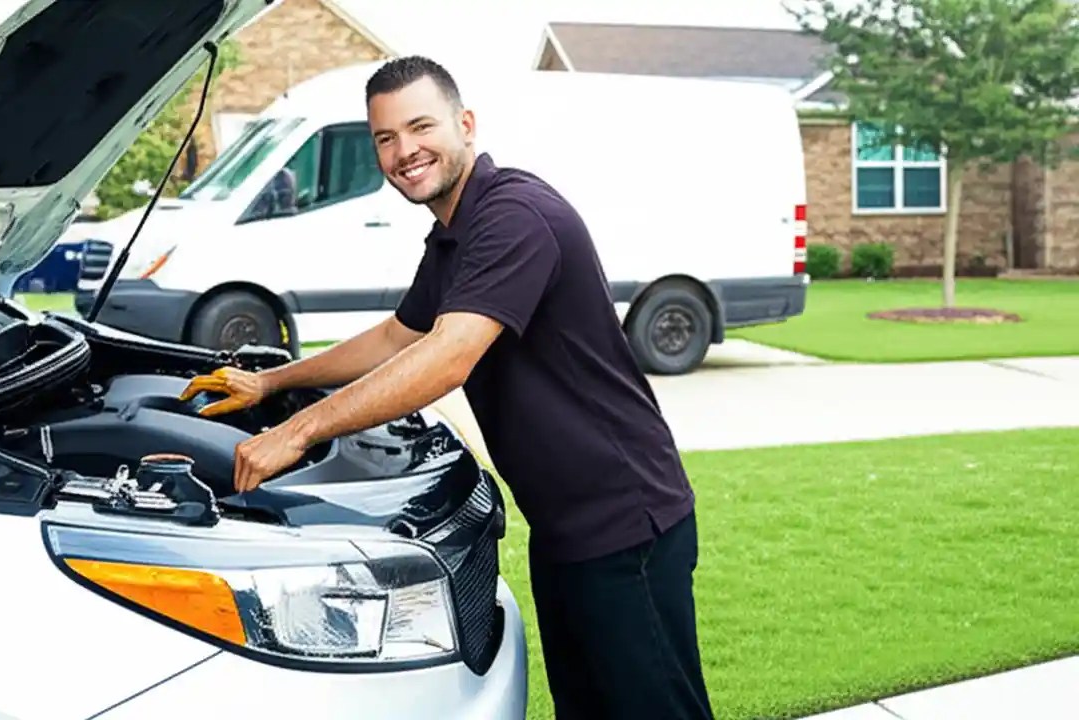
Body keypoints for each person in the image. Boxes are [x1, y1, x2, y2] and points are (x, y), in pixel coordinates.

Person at [178, 56, 714, 720]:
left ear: (465, 124)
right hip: (565, 529)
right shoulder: (455, 234)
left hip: (626, 525)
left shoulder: (515, 215)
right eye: (385, 138)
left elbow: (446, 357)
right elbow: (397, 338)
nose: (405, 151)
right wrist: (272, 381)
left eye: (420, 126)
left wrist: (300, 431)